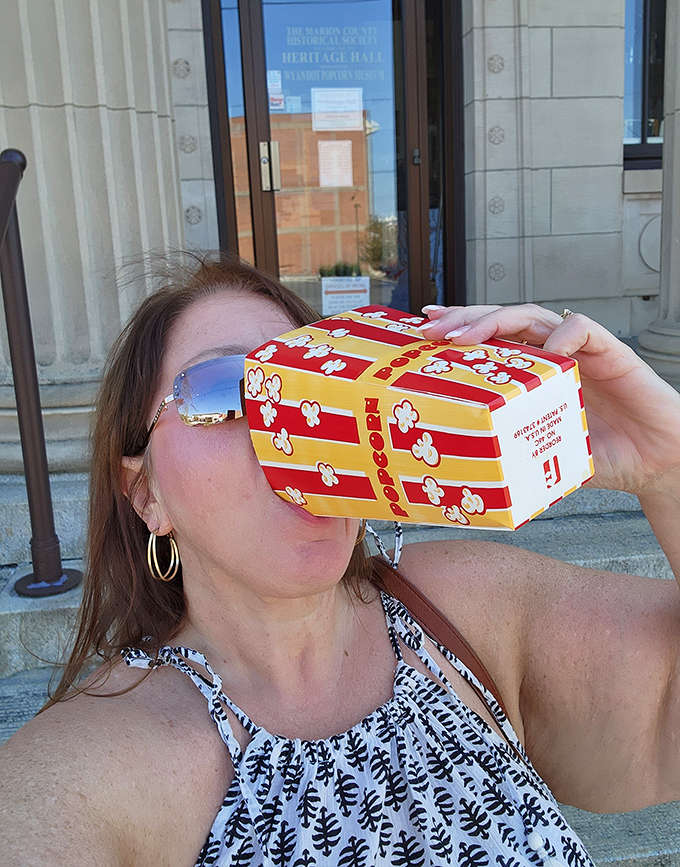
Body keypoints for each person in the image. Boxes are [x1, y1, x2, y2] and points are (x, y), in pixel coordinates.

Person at [1, 254, 679, 867]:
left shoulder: (472, 611)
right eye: (223, 391)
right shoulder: (99, 765)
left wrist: (668, 466)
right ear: (146, 493)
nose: (287, 422)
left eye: (315, 381)